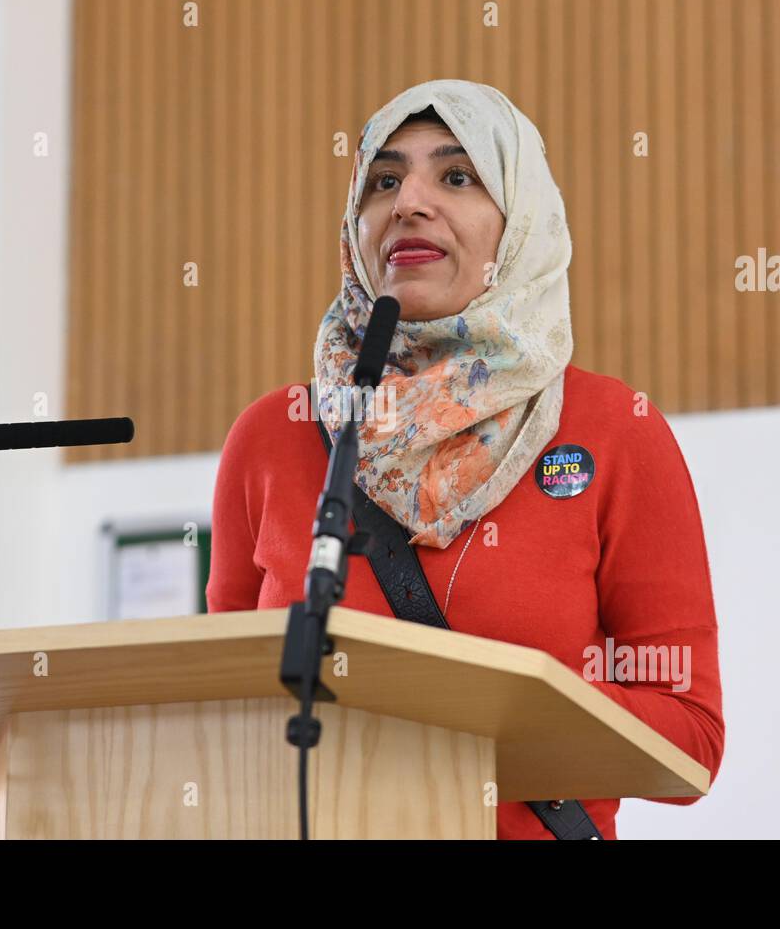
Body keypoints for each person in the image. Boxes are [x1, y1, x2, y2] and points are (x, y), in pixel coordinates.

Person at [206, 78, 724, 840]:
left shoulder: (615, 429)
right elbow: (221, 717)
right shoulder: (273, 435)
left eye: (457, 176)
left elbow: (692, 739)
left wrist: (469, 702)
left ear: (521, 227)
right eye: (383, 180)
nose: (408, 201)